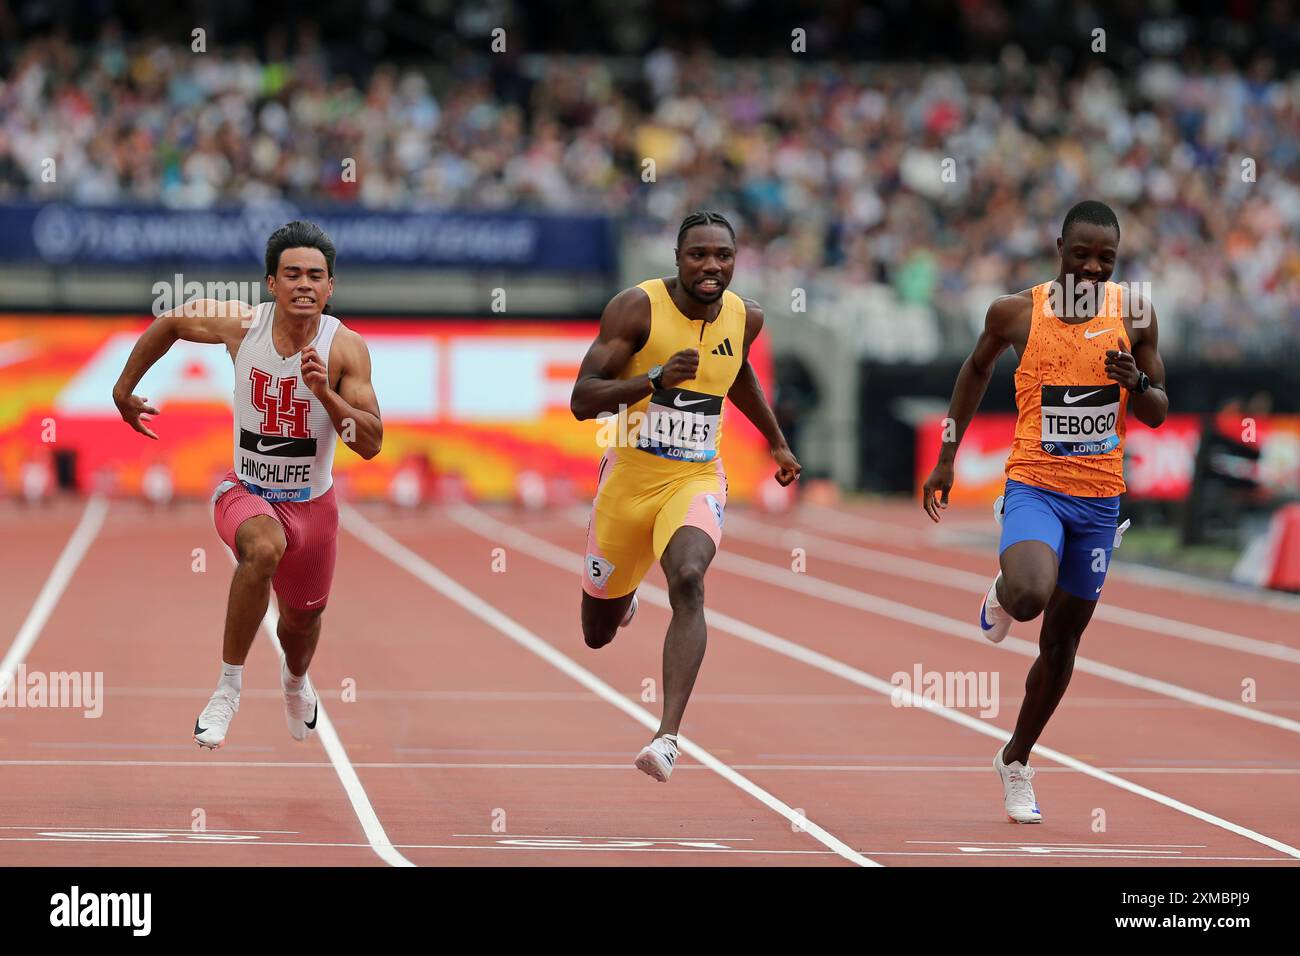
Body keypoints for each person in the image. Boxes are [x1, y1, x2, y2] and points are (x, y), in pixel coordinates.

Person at [922, 200, 1168, 822]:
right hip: (1035, 484)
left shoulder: (1134, 313)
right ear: (1058, 247)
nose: (1091, 270)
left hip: (1099, 498)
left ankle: (1016, 760)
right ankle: (1004, 591)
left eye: (1105, 260)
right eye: (1080, 255)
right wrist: (948, 455)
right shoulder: (1015, 313)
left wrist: (1135, 381)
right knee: (1032, 595)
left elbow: (1159, 409)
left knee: (1062, 642)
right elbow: (974, 371)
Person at [112, 221, 383, 749]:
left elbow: (370, 442)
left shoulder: (346, 349)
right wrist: (124, 390)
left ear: (330, 288)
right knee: (262, 548)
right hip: (246, 492)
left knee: (301, 627)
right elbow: (169, 322)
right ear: (271, 283)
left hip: (314, 506)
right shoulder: (240, 326)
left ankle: (294, 682)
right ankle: (227, 689)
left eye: (315, 276)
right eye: (292, 275)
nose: (304, 284)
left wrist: (325, 395)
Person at [570, 211, 801, 781]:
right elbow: (581, 399)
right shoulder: (636, 308)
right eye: (698, 255)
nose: (711, 267)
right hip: (628, 481)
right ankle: (621, 598)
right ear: (677, 259)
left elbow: (737, 373)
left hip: (695, 477)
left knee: (690, 579)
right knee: (595, 635)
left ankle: (667, 737)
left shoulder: (747, 317)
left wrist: (776, 442)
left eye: (722, 256)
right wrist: (654, 381)